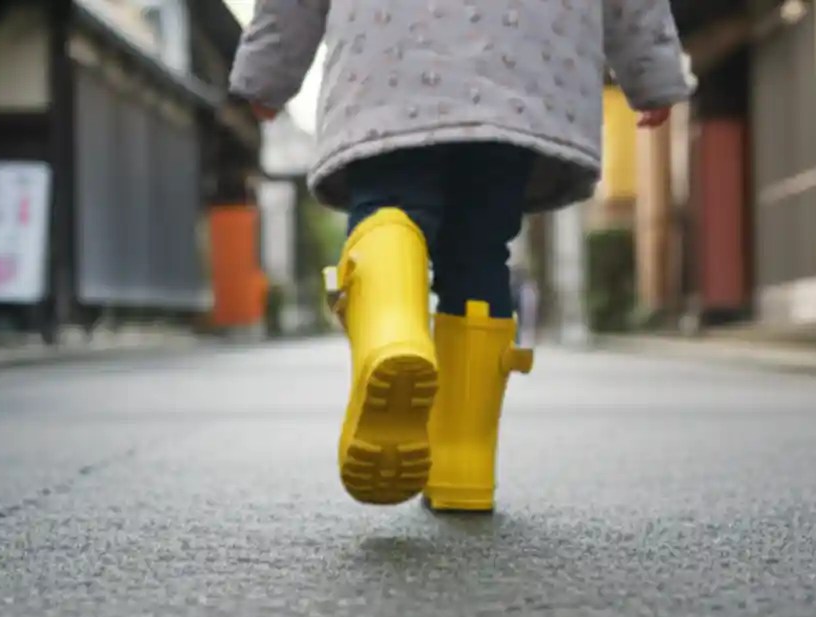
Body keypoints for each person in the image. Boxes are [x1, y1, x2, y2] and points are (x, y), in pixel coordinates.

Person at [231, 0, 690, 512]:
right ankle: (463, 466)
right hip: (526, 61)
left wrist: (266, 72)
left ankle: (393, 337)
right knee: (480, 250)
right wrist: (652, 72)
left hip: (391, 56)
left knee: (391, 206)